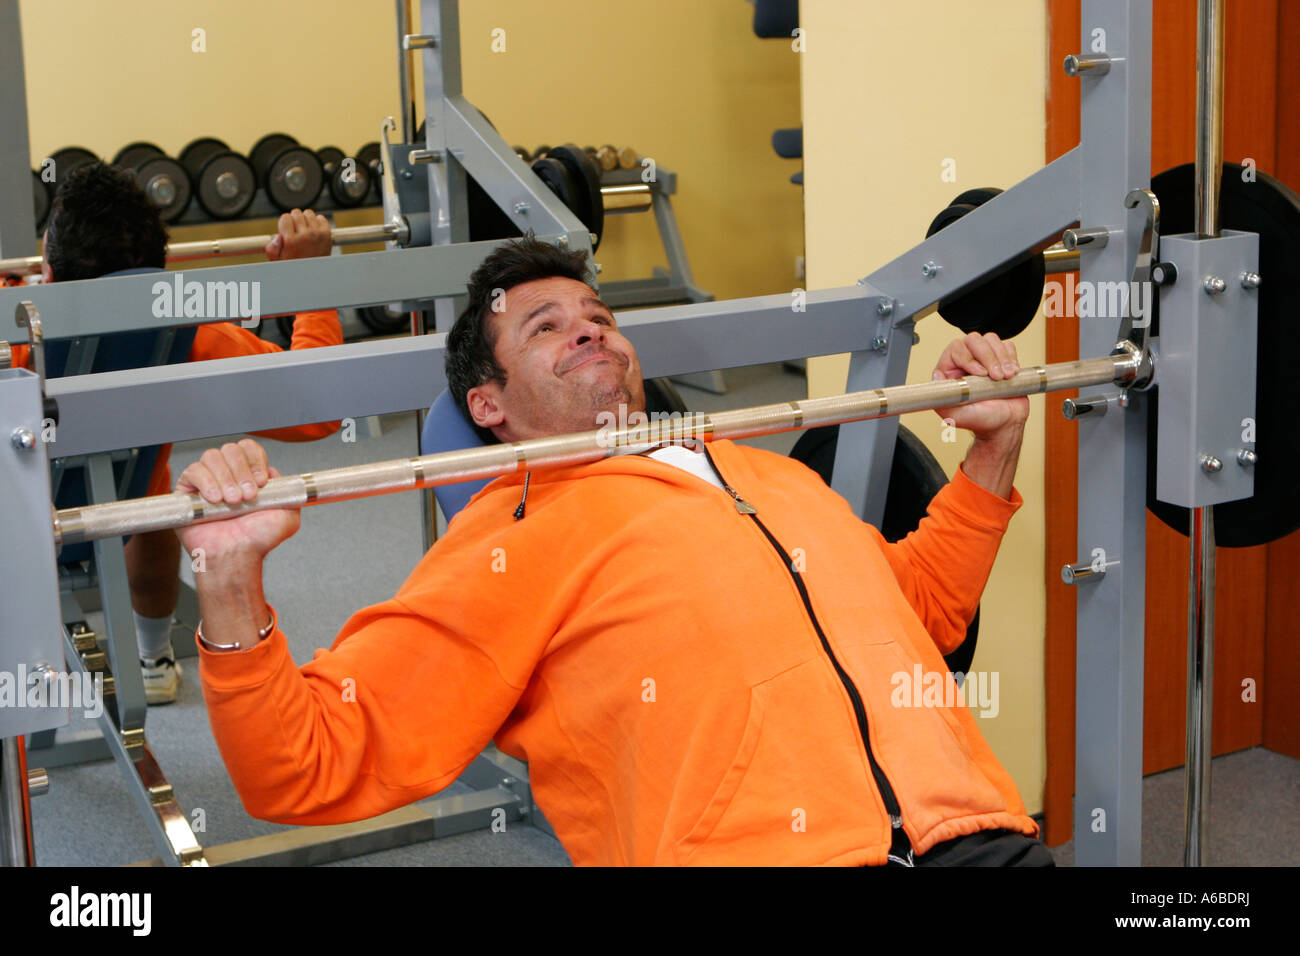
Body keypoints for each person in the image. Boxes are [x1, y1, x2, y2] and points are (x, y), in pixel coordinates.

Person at [180, 236, 1053, 866]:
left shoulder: (767, 474)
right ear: (489, 406)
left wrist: (992, 452)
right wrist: (227, 579)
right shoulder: (510, 537)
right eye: (547, 328)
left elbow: (923, 618)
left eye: (598, 316)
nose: (592, 329)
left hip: (973, 832)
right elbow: (306, 767)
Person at [8, 162, 344, 704]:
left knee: (146, 488)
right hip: (112, 521)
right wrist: (309, 281)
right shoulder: (187, 329)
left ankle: (137, 656)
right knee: (149, 490)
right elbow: (320, 409)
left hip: (18, 533)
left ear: (48, 274)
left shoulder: (15, 336)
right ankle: (154, 657)